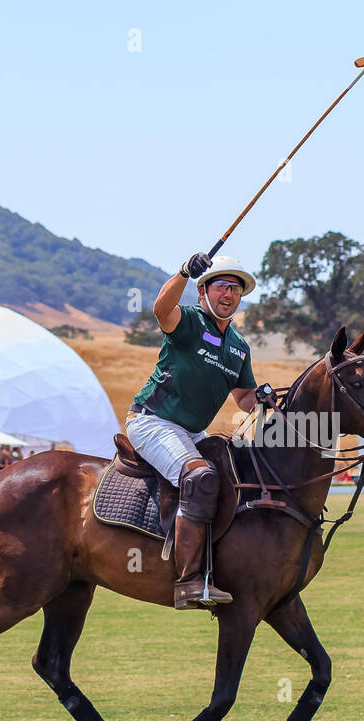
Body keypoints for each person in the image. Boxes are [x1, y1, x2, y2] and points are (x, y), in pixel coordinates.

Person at [127, 252, 261, 610]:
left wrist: (262, 397)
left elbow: (244, 398)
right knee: (199, 477)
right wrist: (185, 272)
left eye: (234, 288)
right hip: (153, 420)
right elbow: (160, 310)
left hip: (191, 432)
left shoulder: (239, 347)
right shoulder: (189, 321)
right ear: (203, 292)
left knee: (236, 470)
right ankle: (188, 581)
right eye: (220, 286)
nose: (228, 294)